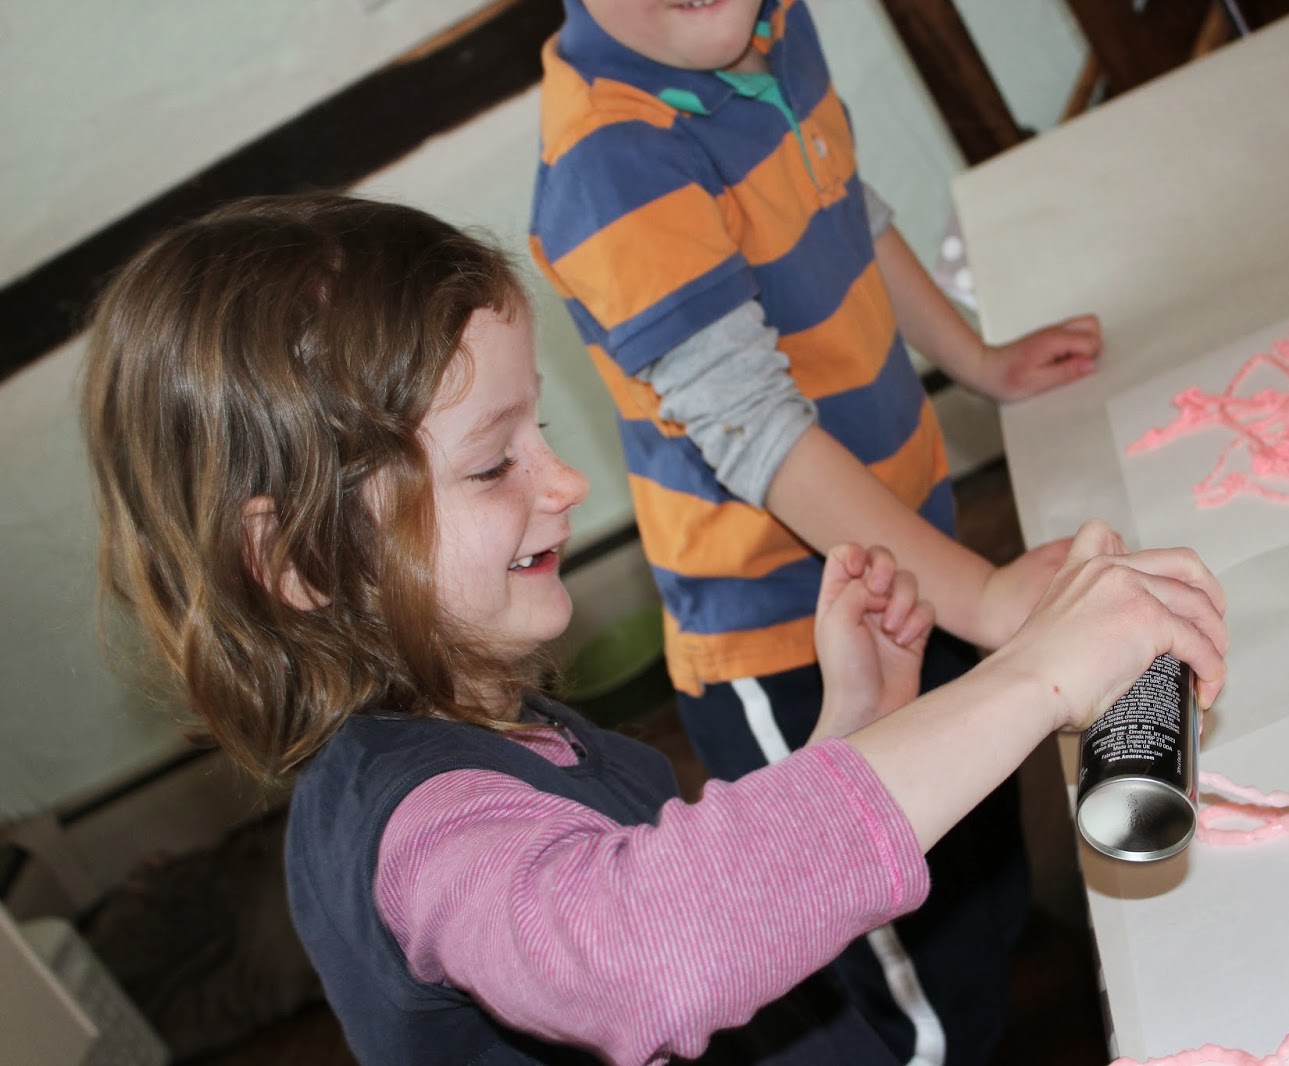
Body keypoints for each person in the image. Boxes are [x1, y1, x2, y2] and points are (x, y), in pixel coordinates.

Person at [81, 194, 1227, 1065]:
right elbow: (644, 950)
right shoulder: (415, 832)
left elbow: (702, 888)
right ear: (296, 561)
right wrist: (1034, 675)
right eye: (493, 463)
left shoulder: (480, 719)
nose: (567, 480)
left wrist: (850, 729)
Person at [530, 1, 1107, 1058]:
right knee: (916, 989)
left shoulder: (777, 20)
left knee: (981, 876)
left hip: (908, 559)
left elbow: (849, 204)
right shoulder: (610, 164)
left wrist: (976, 361)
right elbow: (759, 436)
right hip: (789, 642)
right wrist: (976, 598)